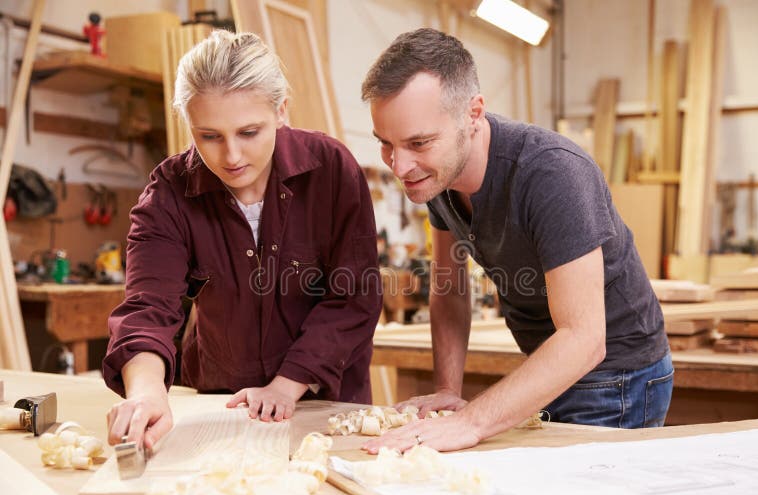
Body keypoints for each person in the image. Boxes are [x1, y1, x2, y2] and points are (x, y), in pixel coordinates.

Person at [360, 28, 672, 453]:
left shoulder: (553, 174)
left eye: (418, 143)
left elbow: (584, 338)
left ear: (473, 114)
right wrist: (448, 391)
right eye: (386, 145)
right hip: (549, 362)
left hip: (614, 375)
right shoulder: (439, 176)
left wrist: (471, 421)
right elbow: (449, 291)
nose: (400, 166)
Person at [104, 30, 381, 450]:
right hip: (223, 404)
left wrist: (285, 388)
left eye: (249, 132)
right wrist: (146, 391)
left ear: (281, 110)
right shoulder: (169, 191)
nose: (231, 157)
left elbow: (355, 296)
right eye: (209, 136)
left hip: (326, 405)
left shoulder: (331, 169)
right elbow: (148, 306)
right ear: (187, 123)